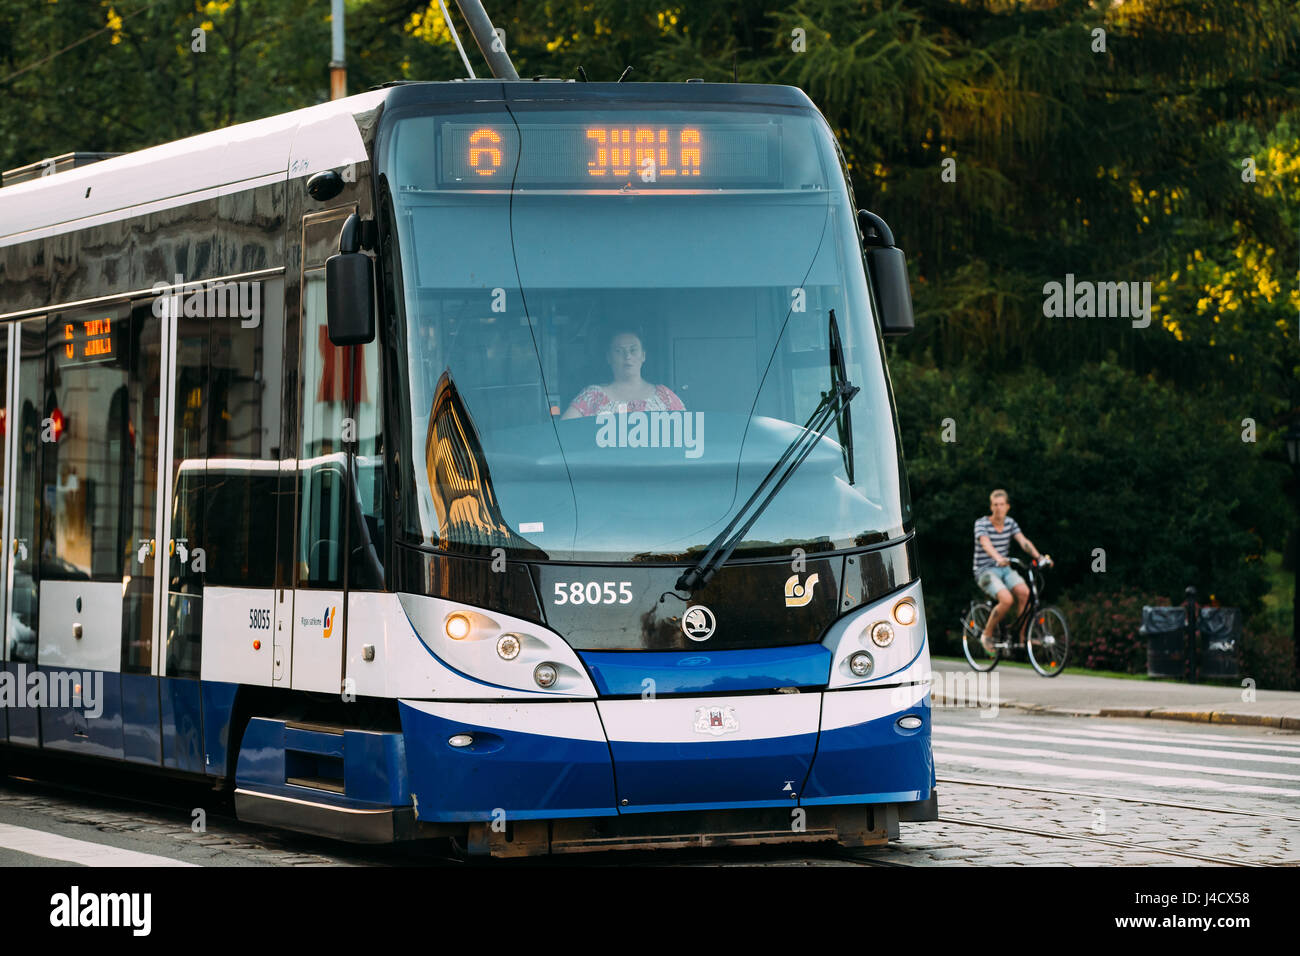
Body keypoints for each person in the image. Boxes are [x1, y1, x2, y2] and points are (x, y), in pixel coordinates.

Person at [973, 488, 1050, 653]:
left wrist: (1040, 557)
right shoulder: (981, 523)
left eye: (1001, 504)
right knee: (1006, 600)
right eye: (995, 505)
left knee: (1025, 593)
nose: (998, 508)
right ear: (991, 507)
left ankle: (1022, 638)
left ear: (1007, 506)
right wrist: (997, 558)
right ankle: (986, 635)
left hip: (1005, 569)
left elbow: (1023, 542)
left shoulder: (1010, 523)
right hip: (985, 571)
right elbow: (986, 543)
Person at [560, 330, 685, 419]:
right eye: (619, 351)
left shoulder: (665, 397)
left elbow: (686, 433)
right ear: (609, 357)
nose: (627, 356)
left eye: (633, 350)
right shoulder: (592, 396)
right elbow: (565, 432)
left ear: (643, 355)